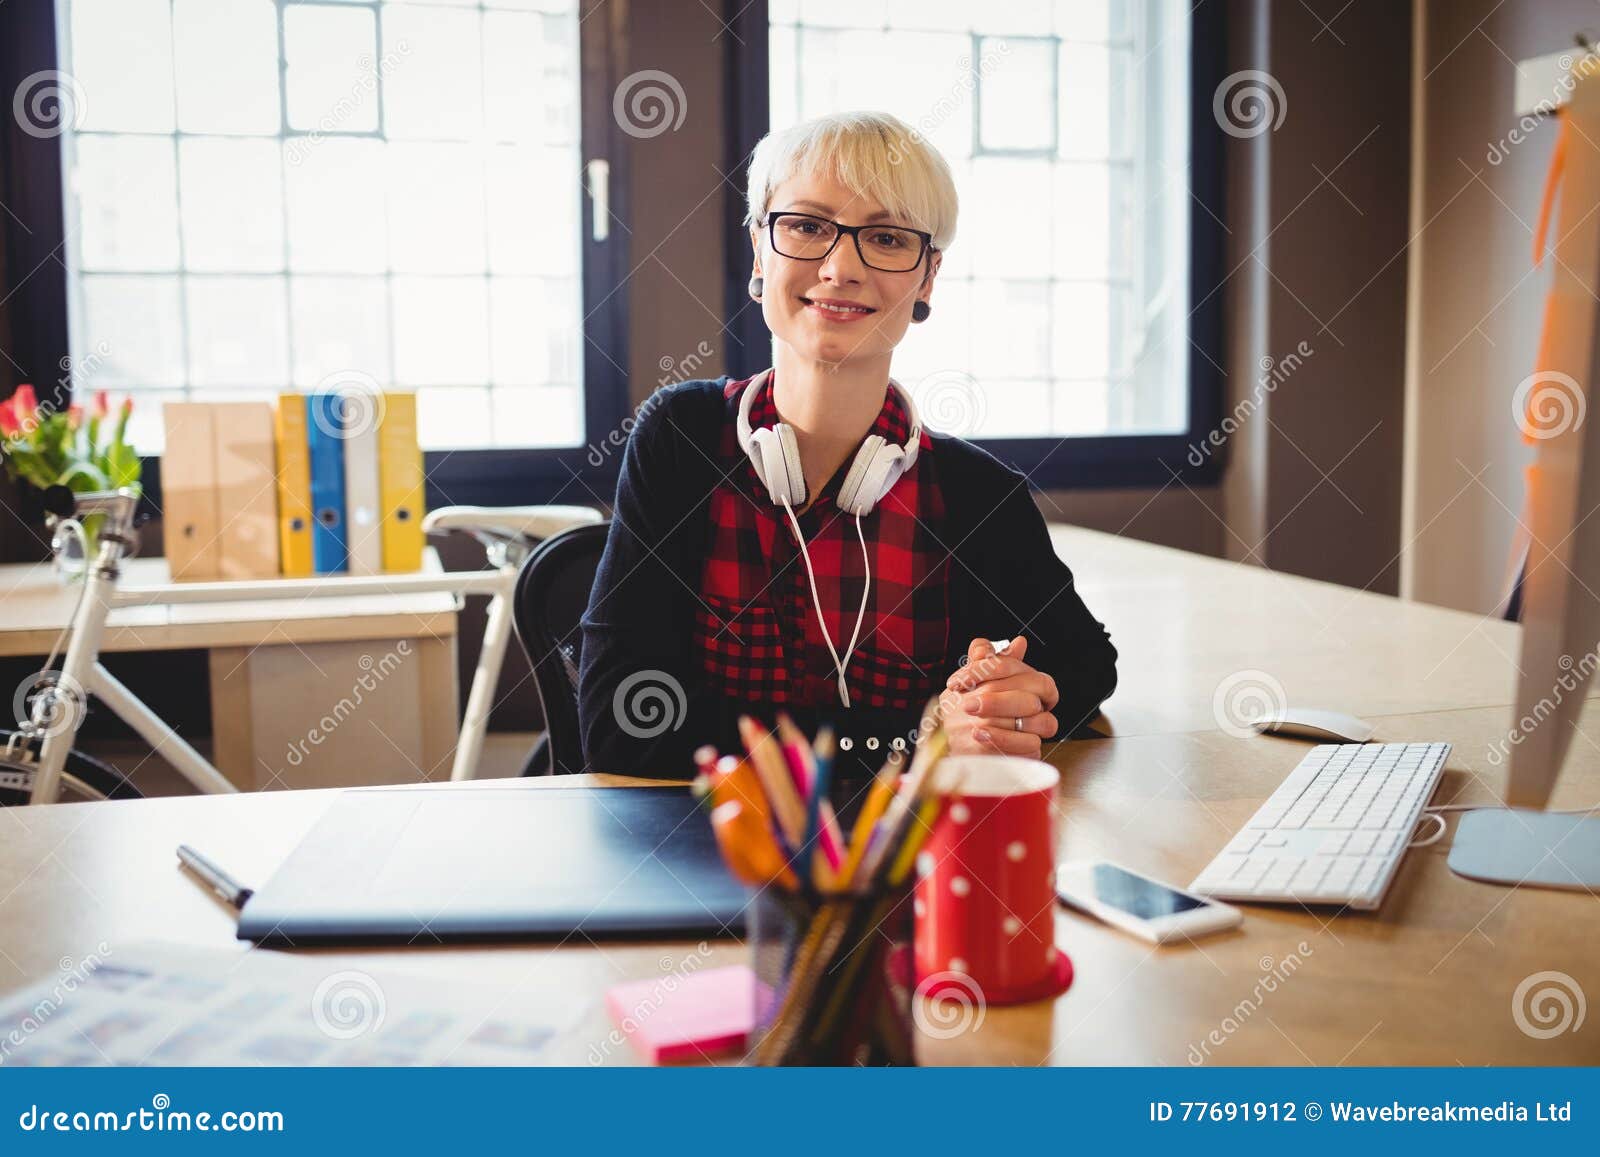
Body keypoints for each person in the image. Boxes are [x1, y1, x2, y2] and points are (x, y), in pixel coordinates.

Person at [578, 111, 1116, 778]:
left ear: (926, 278)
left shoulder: (973, 492)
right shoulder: (681, 440)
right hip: (694, 854)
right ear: (759, 249)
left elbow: (1086, 660)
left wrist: (1016, 701)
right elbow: (622, 725)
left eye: (887, 237)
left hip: (898, 862)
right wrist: (917, 735)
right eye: (806, 227)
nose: (840, 268)